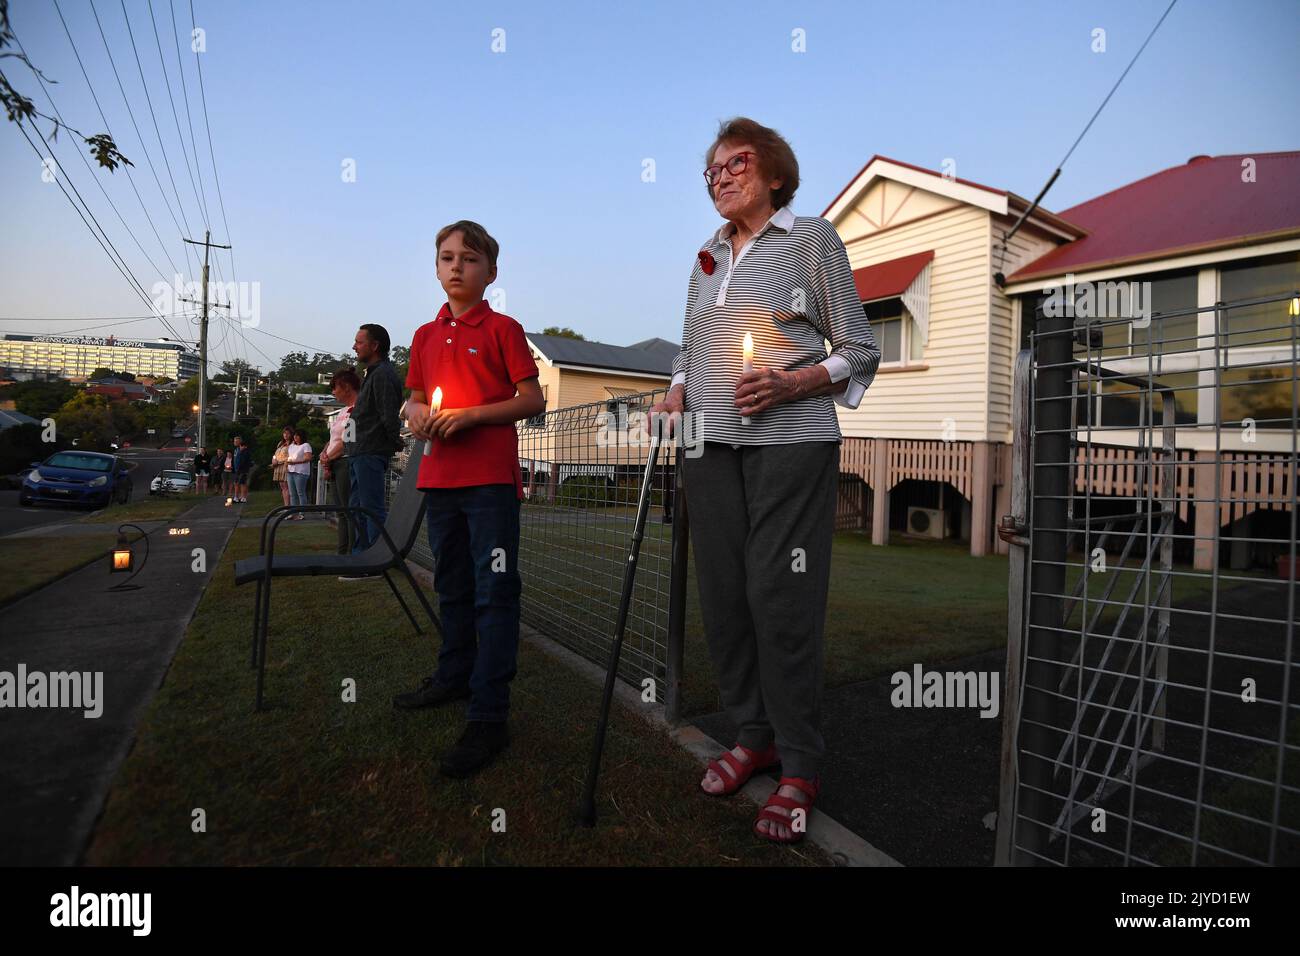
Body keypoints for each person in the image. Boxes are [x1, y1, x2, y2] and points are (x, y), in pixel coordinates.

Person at [649, 118, 880, 843]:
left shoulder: (812, 239)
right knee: (723, 595)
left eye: (734, 163)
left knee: (778, 594)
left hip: (790, 443)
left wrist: (793, 383)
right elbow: (692, 344)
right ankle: (755, 735)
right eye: (710, 170)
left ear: (776, 173)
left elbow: (859, 349)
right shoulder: (707, 258)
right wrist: (677, 388)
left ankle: (801, 762)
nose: (718, 176)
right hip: (708, 446)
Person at [393, 220, 545, 779]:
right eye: (447, 257)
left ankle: (489, 713)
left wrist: (472, 416)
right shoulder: (425, 336)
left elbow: (531, 398)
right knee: (452, 586)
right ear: (436, 268)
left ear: (491, 273)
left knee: (494, 591)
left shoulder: (504, 328)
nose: (457, 266)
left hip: (487, 483)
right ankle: (453, 675)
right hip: (438, 479)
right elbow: (413, 400)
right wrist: (417, 416)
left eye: (470, 259)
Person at [345, 323, 404, 552]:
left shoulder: (383, 374)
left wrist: (393, 440)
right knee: (357, 507)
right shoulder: (372, 374)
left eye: (359, 342)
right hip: (359, 452)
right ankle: (361, 554)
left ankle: (376, 559)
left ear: (375, 345)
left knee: (371, 508)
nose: (354, 347)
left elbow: (389, 414)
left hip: (370, 451)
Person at [320, 369, 361, 556]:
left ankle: (351, 552)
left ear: (346, 387)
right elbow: (333, 438)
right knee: (341, 512)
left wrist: (329, 458)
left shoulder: (357, 408)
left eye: (335, 387)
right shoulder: (343, 411)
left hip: (345, 463)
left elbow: (348, 442)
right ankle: (342, 552)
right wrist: (324, 453)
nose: (333, 392)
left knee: (348, 511)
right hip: (334, 464)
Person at [285, 429, 312, 518]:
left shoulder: (306, 446)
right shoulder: (291, 446)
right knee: (292, 494)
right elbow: (288, 457)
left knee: (300, 492)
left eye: (297, 435)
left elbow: (308, 458)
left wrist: (295, 462)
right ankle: (293, 512)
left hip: (301, 472)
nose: (295, 437)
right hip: (290, 471)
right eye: (295, 435)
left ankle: (302, 513)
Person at [271, 427, 292, 507]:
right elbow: (275, 454)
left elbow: (291, 455)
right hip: (278, 467)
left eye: (288, 433)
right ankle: (285, 505)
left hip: (285, 466)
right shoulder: (280, 443)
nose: (285, 435)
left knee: (287, 487)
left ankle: (288, 506)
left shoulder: (292, 444)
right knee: (283, 488)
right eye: (284, 433)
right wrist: (274, 460)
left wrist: (280, 461)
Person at [232, 436, 252, 504]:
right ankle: (236, 497)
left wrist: (241, 451)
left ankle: (243, 497)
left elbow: (244, 460)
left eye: (236, 441)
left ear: (240, 442)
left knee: (243, 483)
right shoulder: (236, 450)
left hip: (243, 470)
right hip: (236, 469)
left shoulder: (245, 450)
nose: (235, 442)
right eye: (234, 441)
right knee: (236, 483)